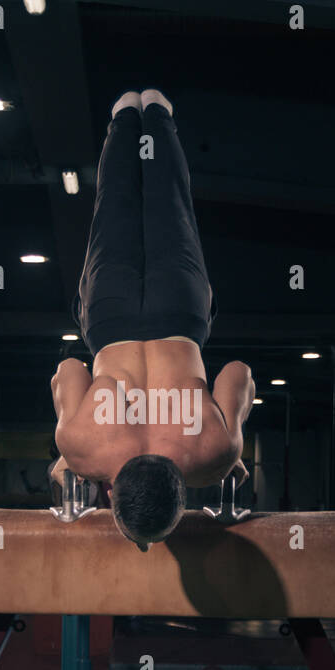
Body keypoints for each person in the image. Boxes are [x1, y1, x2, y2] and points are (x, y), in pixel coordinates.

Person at [51, 88, 254, 550]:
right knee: (111, 209)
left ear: (181, 495)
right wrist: (68, 456)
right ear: (113, 493)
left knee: (173, 207)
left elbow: (238, 373)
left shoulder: (210, 455)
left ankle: (158, 114)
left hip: (179, 312)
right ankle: (123, 117)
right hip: (110, 316)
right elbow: (68, 372)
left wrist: (232, 445)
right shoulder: (85, 449)